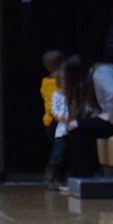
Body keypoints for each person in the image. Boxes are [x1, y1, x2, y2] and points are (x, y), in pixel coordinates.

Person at [38, 50, 66, 190]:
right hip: (58, 120)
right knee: (59, 150)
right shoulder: (61, 83)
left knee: (57, 148)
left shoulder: (45, 83)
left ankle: (58, 176)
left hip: (48, 121)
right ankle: (51, 177)